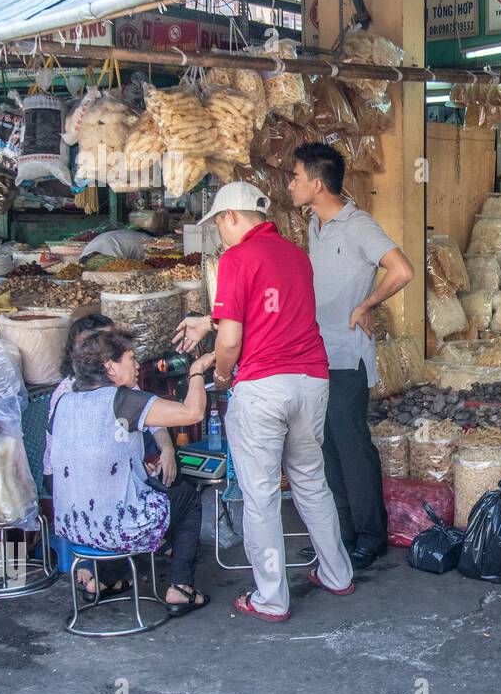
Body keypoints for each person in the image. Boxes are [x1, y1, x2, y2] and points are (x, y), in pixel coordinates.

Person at [172, 182, 354, 623]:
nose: (219, 233)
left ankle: (271, 598)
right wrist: (210, 322)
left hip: (263, 387)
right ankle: (337, 574)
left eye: (218, 223)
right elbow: (271, 312)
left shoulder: (236, 259)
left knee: (260, 496)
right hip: (311, 381)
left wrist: (219, 375)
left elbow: (233, 338)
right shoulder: (296, 257)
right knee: (311, 481)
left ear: (231, 217)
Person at [288, 143, 414, 570]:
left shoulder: (359, 225)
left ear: (317, 184)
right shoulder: (315, 225)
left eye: (296, 177)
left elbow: (402, 269)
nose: (291, 184)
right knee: (324, 447)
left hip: (346, 356)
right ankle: (337, 535)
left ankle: (370, 537)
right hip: (314, 353)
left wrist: (367, 305)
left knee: (352, 446)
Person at [48, 327, 214, 615]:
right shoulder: (122, 399)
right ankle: (180, 588)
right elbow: (192, 413)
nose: (137, 365)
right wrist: (197, 371)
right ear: (110, 366)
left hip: (73, 528)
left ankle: (109, 579)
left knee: (124, 501)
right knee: (186, 496)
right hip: (115, 528)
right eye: (131, 358)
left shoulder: (64, 401)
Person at [79, 228, 152, 268]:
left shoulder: (133, 234)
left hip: (100, 243)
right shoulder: (148, 239)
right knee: (115, 267)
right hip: (110, 245)